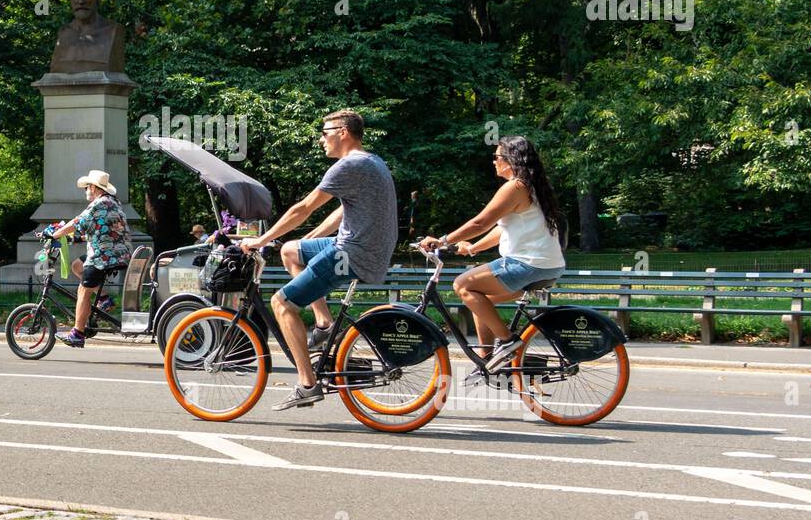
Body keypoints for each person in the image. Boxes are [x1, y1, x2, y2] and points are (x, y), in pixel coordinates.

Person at [240, 110, 398, 410]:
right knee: (290, 250)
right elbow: (343, 212)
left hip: (353, 253)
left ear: (343, 132)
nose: (320, 139)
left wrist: (261, 240)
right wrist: (308, 239)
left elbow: (304, 207)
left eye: (324, 133)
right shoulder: (371, 161)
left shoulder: (348, 166)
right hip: (365, 247)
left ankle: (307, 384)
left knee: (282, 304)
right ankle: (325, 323)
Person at [420, 135, 566, 371]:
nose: (493, 162)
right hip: (548, 265)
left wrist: (441, 240)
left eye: (497, 157)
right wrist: (473, 248)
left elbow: (481, 223)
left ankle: (508, 343)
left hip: (528, 264)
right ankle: (487, 358)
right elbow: (502, 230)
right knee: (479, 300)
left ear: (511, 160)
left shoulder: (515, 186)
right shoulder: (532, 186)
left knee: (463, 285)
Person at [44, 170, 132, 348]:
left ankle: (77, 333)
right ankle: (105, 299)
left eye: (86, 187)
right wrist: (73, 238)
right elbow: (100, 230)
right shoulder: (113, 202)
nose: (85, 190)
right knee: (77, 265)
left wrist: (55, 234)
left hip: (104, 256)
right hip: (117, 253)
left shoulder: (99, 204)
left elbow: (77, 222)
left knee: (83, 291)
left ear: (93, 187)